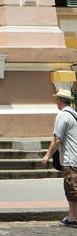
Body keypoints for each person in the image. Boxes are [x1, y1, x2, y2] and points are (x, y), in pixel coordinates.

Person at [43, 86, 77, 226]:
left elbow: (58, 139)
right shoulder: (74, 114)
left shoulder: (63, 115)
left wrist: (47, 155)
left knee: (72, 189)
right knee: (71, 189)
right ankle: (72, 217)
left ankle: (73, 218)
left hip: (70, 158)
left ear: (59, 101)